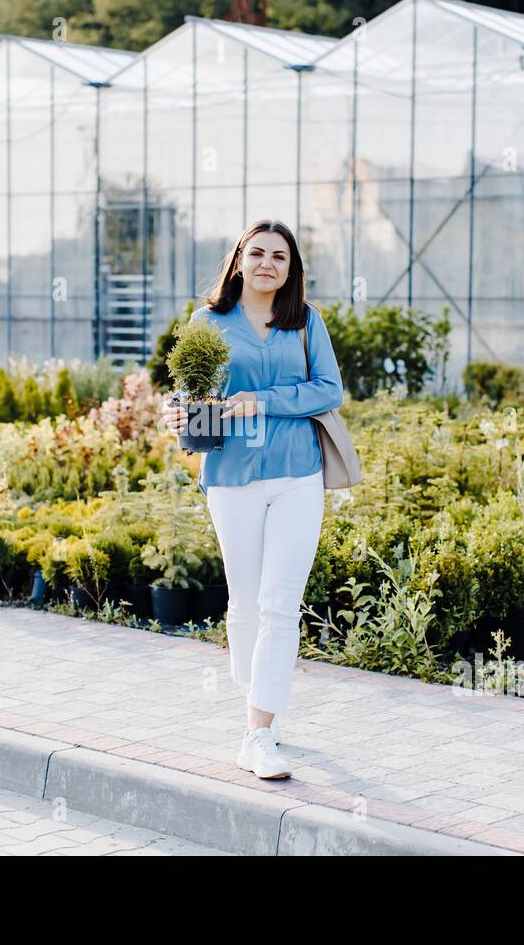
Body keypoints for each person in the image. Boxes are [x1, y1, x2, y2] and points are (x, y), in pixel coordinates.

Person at [160, 218, 344, 779]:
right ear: (239, 260)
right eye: (258, 253)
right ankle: (259, 698)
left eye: (280, 257)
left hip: (296, 474)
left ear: (291, 270)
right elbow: (193, 392)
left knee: (279, 604)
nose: (268, 263)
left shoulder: (306, 322)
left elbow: (328, 390)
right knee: (243, 605)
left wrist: (259, 401)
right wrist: (177, 411)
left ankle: (259, 733)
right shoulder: (207, 323)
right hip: (233, 475)